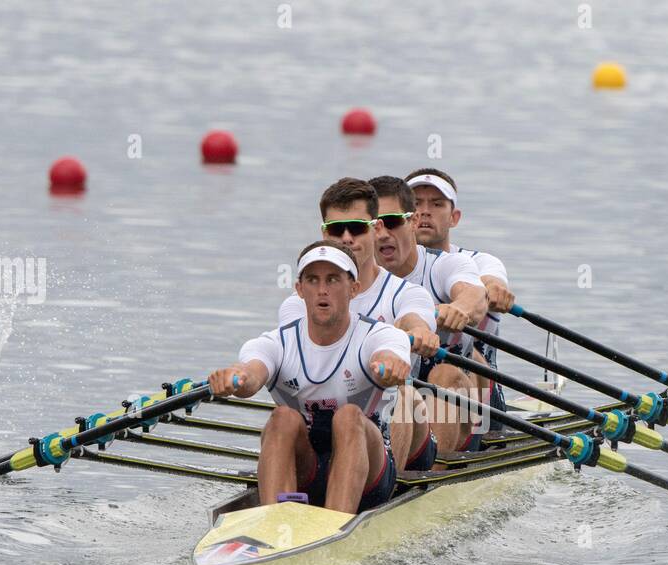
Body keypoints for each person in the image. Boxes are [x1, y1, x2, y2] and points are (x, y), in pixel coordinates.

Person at [208, 240, 411, 514]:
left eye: (333, 279)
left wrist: (390, 365)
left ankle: (334, 526)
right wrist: (236, 378)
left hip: (370, 476)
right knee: (283, 418)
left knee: (349, 416)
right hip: (308, 469)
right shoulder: (277, 342)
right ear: (300, 289)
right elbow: (251, 373)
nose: (322, 290)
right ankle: (274, 523)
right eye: (313, 280)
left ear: (354, 288)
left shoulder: (378, 335)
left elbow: (389, 353)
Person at [278, 178, 440, 472]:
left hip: (391, 429)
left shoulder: (406, 294)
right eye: (337, 230)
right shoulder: (297, 304)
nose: (346, 238)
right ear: (324, 233)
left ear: (376, 229)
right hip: (325, 423)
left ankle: (390, 490)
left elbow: (414, 320)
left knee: (403, 393)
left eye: (357, 228)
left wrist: (417, 334)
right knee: (284, 407)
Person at [369, 174, 488, 453]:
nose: (383, 233)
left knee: (443, 374)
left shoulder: (443, 266)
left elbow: (475, 295)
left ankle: (434, 470)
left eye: (393, 222)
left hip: (459, 406)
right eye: (374, 225)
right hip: (391, 402)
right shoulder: (351, 282)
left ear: (411, 222)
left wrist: (459, 308)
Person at [407, 167, 513, 425]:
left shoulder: (479, 262)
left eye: (436, 204)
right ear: (405, 217)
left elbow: (490, 281)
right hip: (409, 390)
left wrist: (491, 292)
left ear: (454, 217)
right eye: (415, 204)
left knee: (449, 372)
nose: (424, 211)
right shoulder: (386, 270)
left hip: (478, 396)